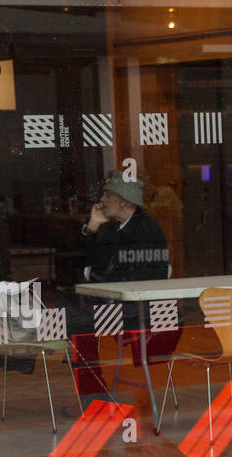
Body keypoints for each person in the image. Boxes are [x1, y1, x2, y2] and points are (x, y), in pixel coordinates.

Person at [68, 170, 170, 406]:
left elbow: (135, 277)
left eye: (106, 195)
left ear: (122, 200)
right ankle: (94, 394)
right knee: (72, 315)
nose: (101, 201)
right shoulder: (115, 228)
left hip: (138, 310)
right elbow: (82, 262)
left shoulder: (145, 231)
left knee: (75, 321)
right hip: (118, 304)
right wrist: (92, 226)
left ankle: (94, 396)